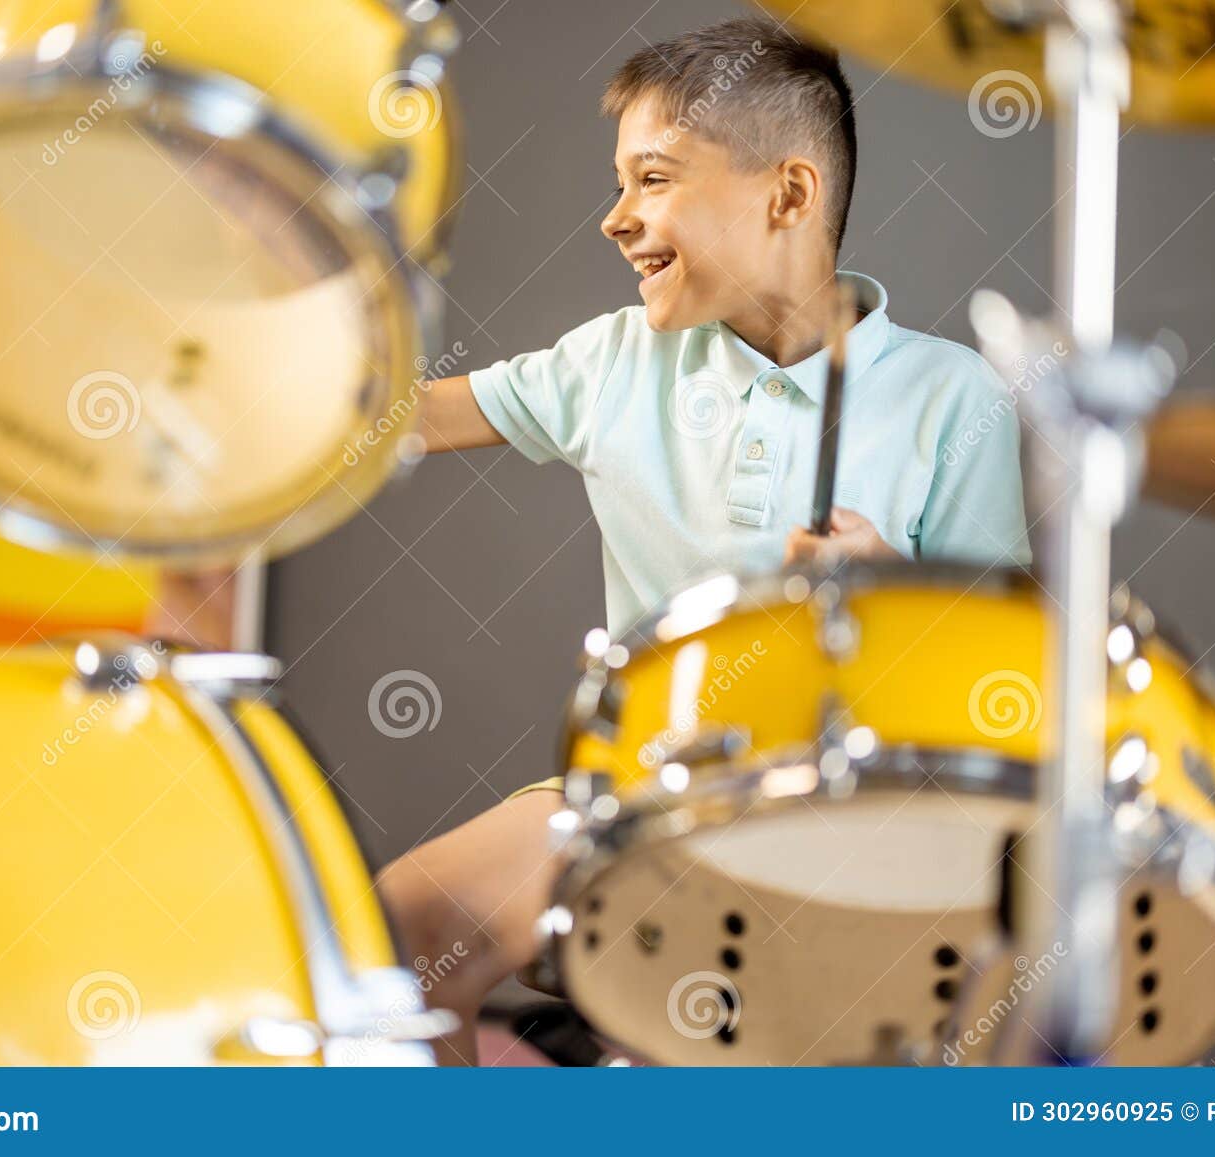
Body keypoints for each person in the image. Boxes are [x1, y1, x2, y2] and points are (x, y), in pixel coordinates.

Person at [376, 15, 1031, 1064]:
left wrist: (900, 591)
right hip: (641, 796)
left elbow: (1015, 677)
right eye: (619, 181)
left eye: (653, 178)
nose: (615, 217)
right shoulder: (612, 361)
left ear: (789, 194)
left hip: (869, 820)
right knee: (395, 947)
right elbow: (392, 421)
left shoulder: (954, 396)